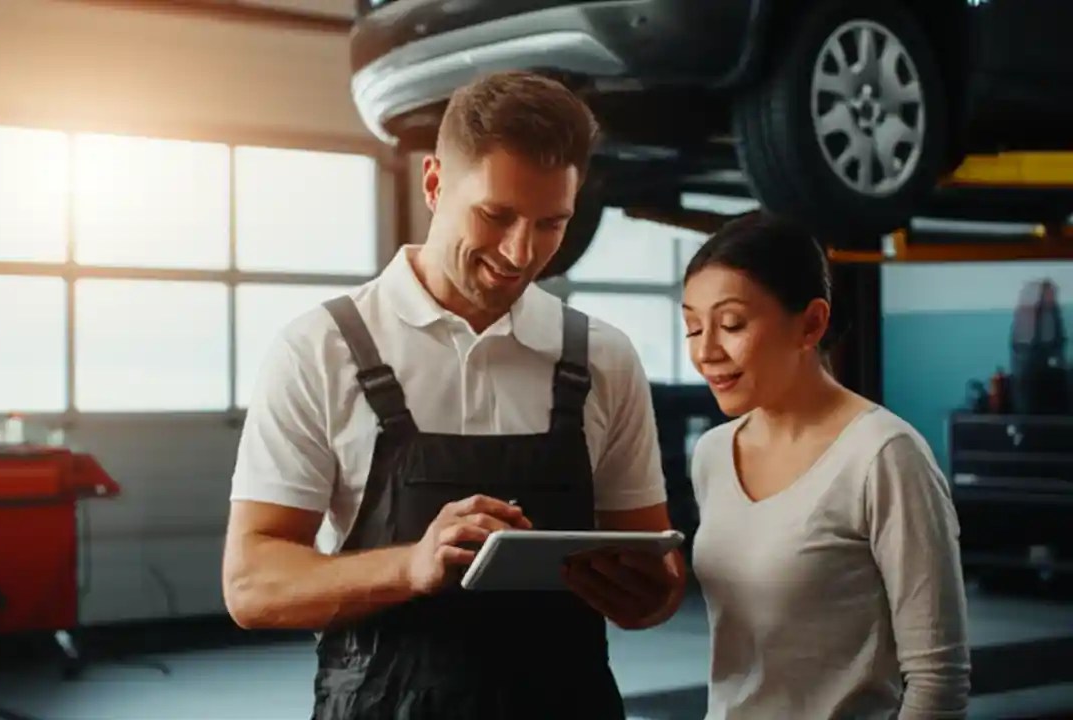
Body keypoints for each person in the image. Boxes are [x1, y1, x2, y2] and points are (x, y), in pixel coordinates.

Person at [222, 70, 686, 719]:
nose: (522, 253)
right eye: (496, 216)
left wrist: (652, 598)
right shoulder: (320, 350)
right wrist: (412, 566)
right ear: (435, 182)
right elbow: (251, 585)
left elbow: (657, 585)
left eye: (552, 223)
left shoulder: (603, 359)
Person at [681, 211, 971, 719]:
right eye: (691, 327)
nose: (706, 351)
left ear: (812, 323)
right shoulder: (712, 454)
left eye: (731, 324)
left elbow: (938, 679)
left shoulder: (883, 455)